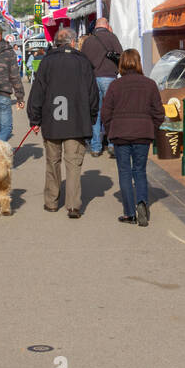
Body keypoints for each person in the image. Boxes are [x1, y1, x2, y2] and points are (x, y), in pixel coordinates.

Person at [27, 26, 99, 218]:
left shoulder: (47, 62)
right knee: (73, 164)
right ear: (73, 42)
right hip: (77, 121)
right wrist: (92, 117)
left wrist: (34, 119)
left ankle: (51, 201)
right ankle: (73, 205)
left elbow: (37, 92)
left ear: (56, 43)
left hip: (52, 122)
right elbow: (93, 94)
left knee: (52, 162)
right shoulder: (83, 62)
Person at [100, 48, 164, 226]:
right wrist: (151, 128)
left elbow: (105, 112)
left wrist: (111, 129)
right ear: (138, 63)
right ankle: (142, 202)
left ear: (121, 64)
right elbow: (159, 113)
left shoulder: (115, 85)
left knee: (125, 172)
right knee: (140, 171)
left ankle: (129, 212)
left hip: (120, 133)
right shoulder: (150, 84)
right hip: (143, 133)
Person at [80, 17, 123, 157]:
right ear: (106, 26)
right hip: (109, 77)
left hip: (92, 79)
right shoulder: (112, 37)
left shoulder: (88, 41)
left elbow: (83, 61)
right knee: (111, 112)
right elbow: (121, 56)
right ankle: (111, 144)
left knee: (95, 113)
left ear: (96, 27)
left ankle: (96, 147)